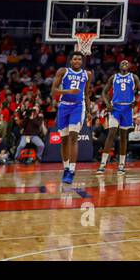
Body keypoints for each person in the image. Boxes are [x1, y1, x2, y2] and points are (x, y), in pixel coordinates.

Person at [97, 59, 140, 175]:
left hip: (127, 108)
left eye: (126, 63)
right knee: (111, 133)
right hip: (116, 108)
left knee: (123, 136)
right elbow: (104, 92)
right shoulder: (114, 77)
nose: (124, 63)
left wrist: (136, 101)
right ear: (119, 66)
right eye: (122, 62)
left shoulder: (134, 77)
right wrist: (107, 104)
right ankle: (103, 164)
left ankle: (121, 165)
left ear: (130, 66)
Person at [52, 53, 92, 185]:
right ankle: (66, 168)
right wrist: (68, 91)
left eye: (79, 59)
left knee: (73, 138)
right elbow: (54, 90)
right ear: (70, 60)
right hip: (64, 107)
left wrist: (89, 111)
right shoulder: (63, 71)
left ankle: (72, 171)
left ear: (82, 61)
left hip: (78, 107)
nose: (77, 61)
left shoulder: (88, 74)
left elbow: (86, 94)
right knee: (63, 141)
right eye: (75, 58)